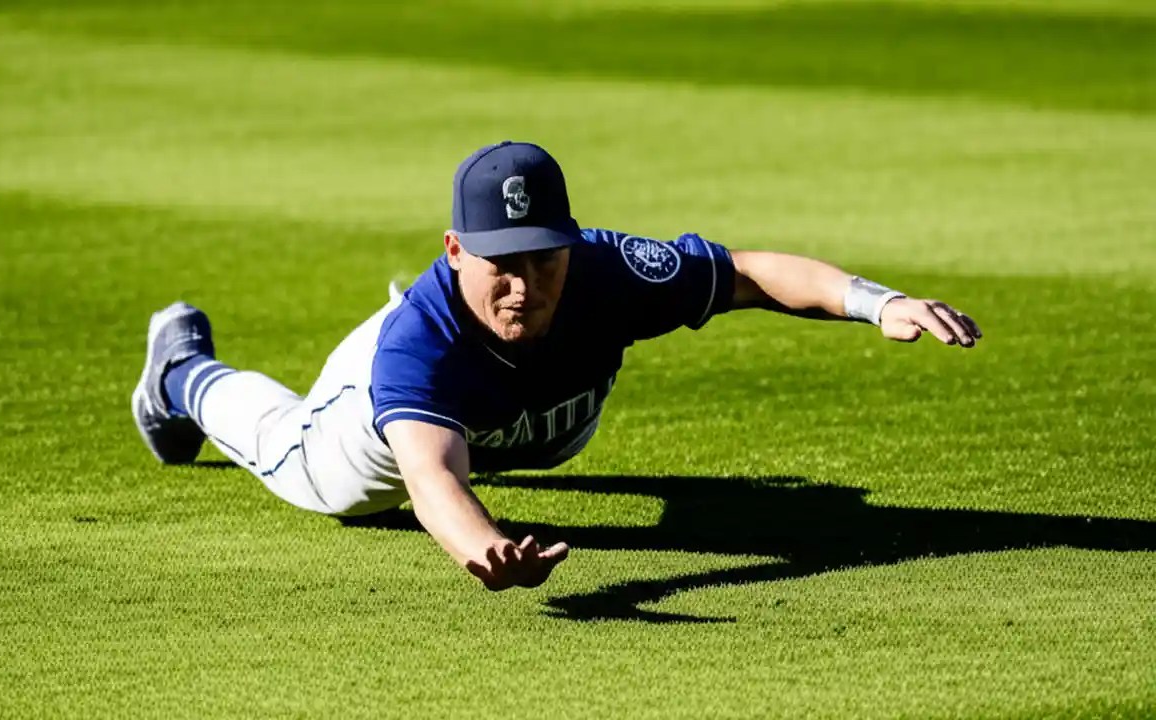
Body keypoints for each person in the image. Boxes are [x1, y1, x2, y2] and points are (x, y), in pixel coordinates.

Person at [131, 141, 982, 591]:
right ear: (454, 248)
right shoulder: (418, 351)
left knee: (547, 436)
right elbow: (429, 479)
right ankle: (180, 373)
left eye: (543, 257)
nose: (523, 284)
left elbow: (752, 275)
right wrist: (485, 546)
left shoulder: (609, 271)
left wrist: (880, 301)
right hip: (383, 425)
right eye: (499, 261)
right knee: (312, 471)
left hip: (525, 421)